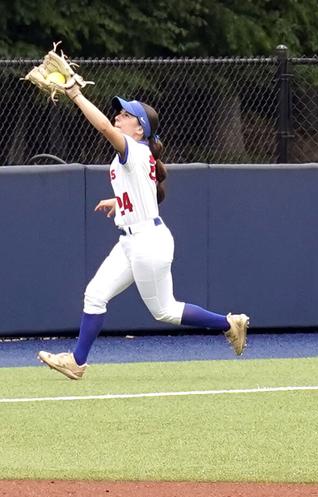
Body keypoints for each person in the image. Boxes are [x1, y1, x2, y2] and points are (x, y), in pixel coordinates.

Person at [37, 84, 250, 380]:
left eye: (126, 115)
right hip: (130, 241)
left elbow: (100, 126)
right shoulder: (137, 153)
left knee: (165, 311)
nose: (118, 117)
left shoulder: (134, 150)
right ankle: (77, 362)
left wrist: (75, 93)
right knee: (95, 295)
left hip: (148, 243)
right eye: (120, 112)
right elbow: (143, 191)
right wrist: (119, 202)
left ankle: (229, 324)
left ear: (140, 130)